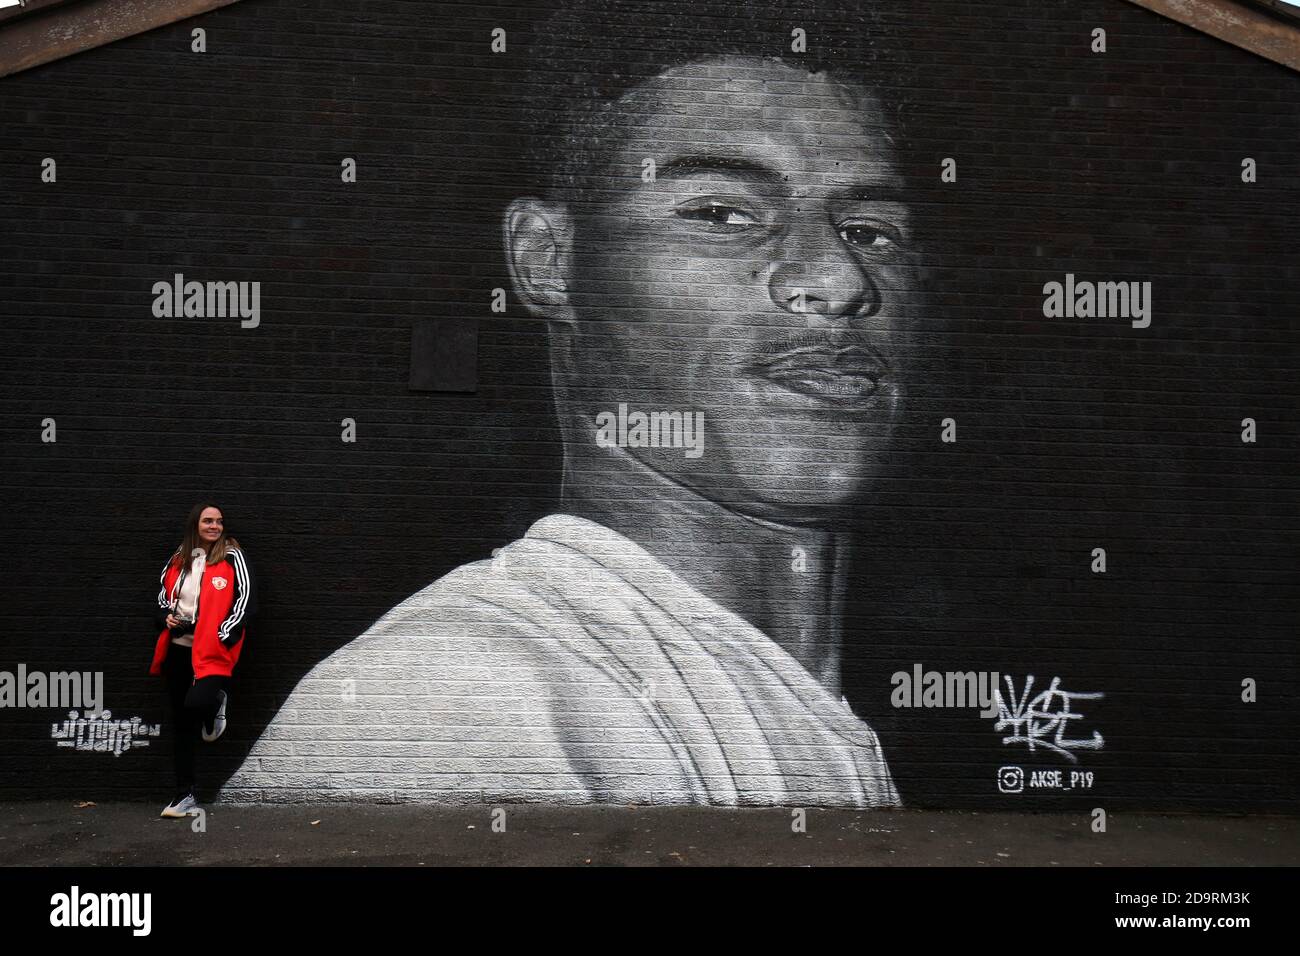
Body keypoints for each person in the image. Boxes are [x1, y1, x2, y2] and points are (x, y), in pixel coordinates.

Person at [223, 0, 921, 807]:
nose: (837, 281)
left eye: (871, 229)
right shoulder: (459, 702)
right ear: (549, 261)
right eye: (722, 215)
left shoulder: (785, 705)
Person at [151, 503, 257, 817]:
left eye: (219, 522)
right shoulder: (177, 559)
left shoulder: (231, 556)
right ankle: (184, 796)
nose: (214, 526)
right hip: (178, 650)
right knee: (182, 725)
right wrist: (165, 617)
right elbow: (162, 596)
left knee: (196, 704)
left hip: (212, 650)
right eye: (208, 521)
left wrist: (225, 632)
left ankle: (216, 701)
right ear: (194, 525)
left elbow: (246, 598)